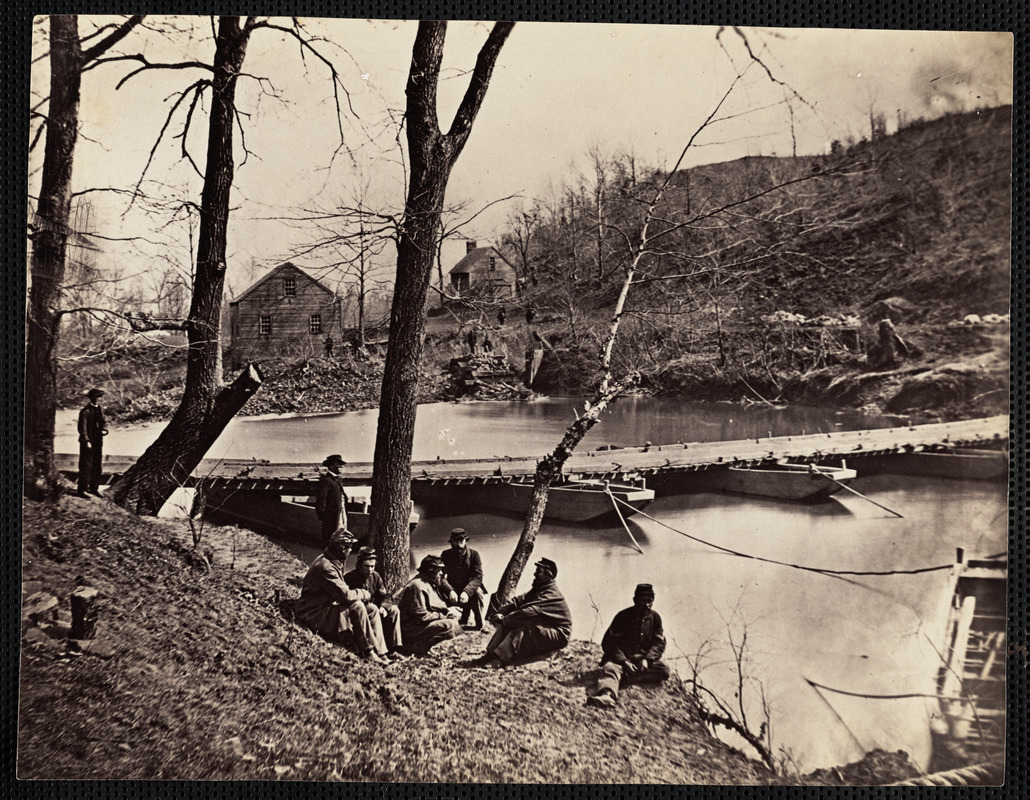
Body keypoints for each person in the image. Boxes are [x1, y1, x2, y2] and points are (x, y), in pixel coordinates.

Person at [292, 530, 388, 664]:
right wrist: (363, 593)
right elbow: (346, 596)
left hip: (322, 609)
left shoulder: (331, 561)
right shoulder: (327, 567)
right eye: (349, 548)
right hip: (314, 614)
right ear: (342, 549)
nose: (350, 551)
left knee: (371, 609)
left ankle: (381, 653)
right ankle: (368, 652)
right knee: (358, 606)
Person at [588, 583, 671, 708]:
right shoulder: (622, 616)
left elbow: (659, 643)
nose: (647, 605)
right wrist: (624, 661)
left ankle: (626, 678)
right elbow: (609, 642)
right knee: (610, 668)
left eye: (650, 601)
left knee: (664, 670)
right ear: (635, 600)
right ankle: (607, 695)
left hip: (641, 663)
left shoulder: (655, 618)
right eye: (643, 601)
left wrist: (647, 660)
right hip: (621, 662)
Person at [477, 558, 571, 667]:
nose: (535, 574)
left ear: (548, 575)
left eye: (539, 571)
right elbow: (518, 601)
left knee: (521, 628)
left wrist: (504, 619)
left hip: (560, 633)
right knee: (510, 623)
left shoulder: (550, 594)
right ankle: (490, 653)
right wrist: (502, 611)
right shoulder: (540, 589)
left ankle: (500, 658)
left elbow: (526, 613)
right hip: (546, 625)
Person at [398, 555, 463, 655]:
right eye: (439, 570)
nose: (441, 573)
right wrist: (444, 615)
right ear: (430, 570)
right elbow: (421, 617)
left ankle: (425, 646)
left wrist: (449, 612)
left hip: (420, 625)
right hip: (412, 629)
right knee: (450, 625)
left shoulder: (428, 582)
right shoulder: (417, 586)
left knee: (454, 624)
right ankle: (416, 647)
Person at [345, 547, 404, 656]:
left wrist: (384, 607)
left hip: (375, 610)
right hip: (361, 614)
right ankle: (379, 652)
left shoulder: (375, 576)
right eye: (366, 566)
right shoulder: (349, 578)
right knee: (373, 608)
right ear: (359, 565)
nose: (370, 570)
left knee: (394, 610)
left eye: (372, 566)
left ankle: (394, 649)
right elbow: (347, 599)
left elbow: (385, 595)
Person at [439, 528, 487, 629]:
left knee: (478, 593)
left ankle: (480, 624)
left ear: (466, 541)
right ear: (451, 542)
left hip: (469, 588)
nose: (458, 544)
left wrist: (467, 592)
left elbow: (478, 577)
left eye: (461, 540)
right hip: (453, 589)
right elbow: (441, 576)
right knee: (436, 593)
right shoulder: (445, 555)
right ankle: (443, 623)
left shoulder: (474, 555)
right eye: (455, 541)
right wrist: (450, 590)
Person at [77, 388, 109, 498]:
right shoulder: (85, 412)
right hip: (88, 442)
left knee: (97, 465)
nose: (98, 399)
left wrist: (103, 429)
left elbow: (103, 421)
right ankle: (82, 490)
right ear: (91, 398)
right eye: (96, 397)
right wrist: (86, 441)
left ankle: (94, 488)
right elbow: (82, 429)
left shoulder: (99, 409)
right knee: (86, 466)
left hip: (98, 441)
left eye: (99, 397)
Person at [314, 454, 348, 545]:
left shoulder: (337, 480)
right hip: (331, 518)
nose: (341, 466)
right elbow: (321, 501)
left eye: (342, 464)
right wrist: (325, 518)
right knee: (330, 539)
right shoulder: (326, 481)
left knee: (340, 537)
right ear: (332, 466)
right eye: (338, 464)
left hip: (340, 514)